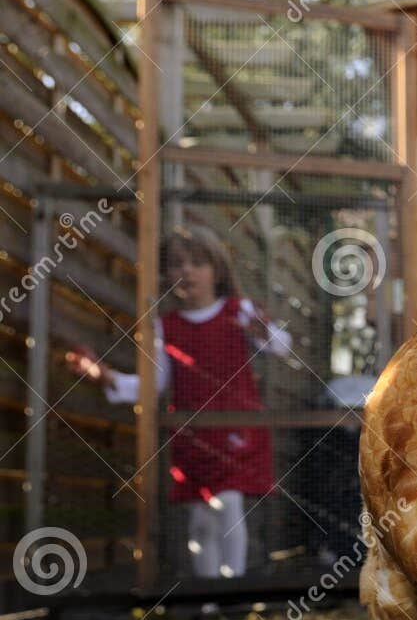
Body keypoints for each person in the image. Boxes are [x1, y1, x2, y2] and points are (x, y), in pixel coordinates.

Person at [67, 228, 291, 579]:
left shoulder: (239, 310)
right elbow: (154, 383)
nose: (186, 272)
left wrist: (265, 332)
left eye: (197, 263)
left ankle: (233, 588)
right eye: (176, 265)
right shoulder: (164, 327)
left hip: (237, 431)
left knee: (228, 504)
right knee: (201, 520)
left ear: (216, 271)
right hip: (193, 435)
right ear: (166, 275)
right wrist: (105, 376)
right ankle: (207, 598)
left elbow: (281, 346)